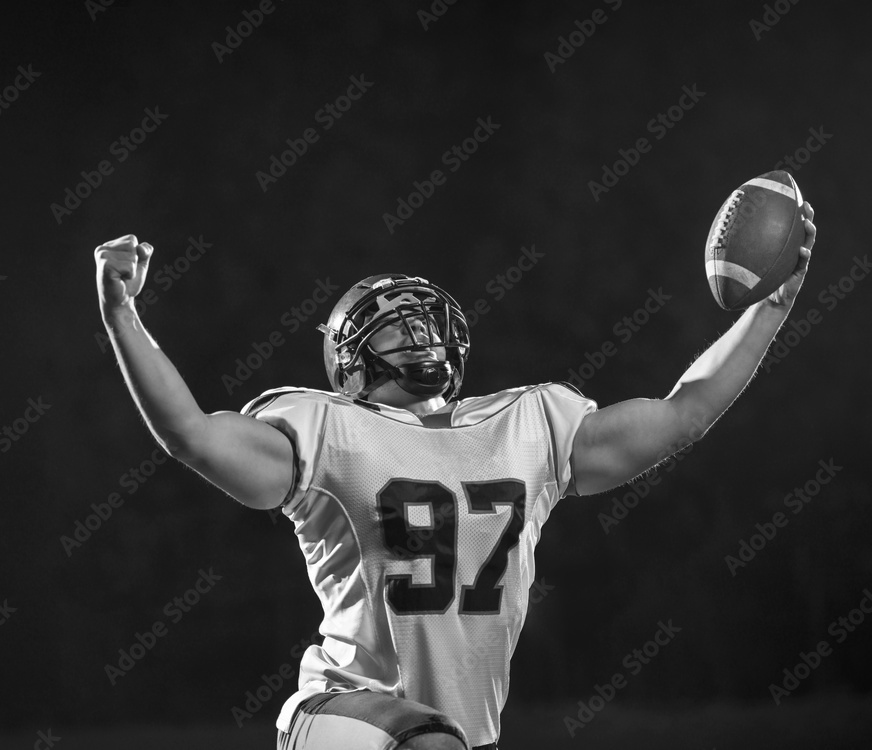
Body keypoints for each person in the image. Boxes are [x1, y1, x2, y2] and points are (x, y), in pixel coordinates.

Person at [94, 202, 816, 750]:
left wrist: (768, 313)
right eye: (392, 325)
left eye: (424, 319)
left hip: (463, 734)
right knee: (432, 743)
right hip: (341, 717)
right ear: (349, 365)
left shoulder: (530, 424)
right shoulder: (326, 427)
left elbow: (681, 415)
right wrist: (122, 316)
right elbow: (190, 435)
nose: (417, 332)